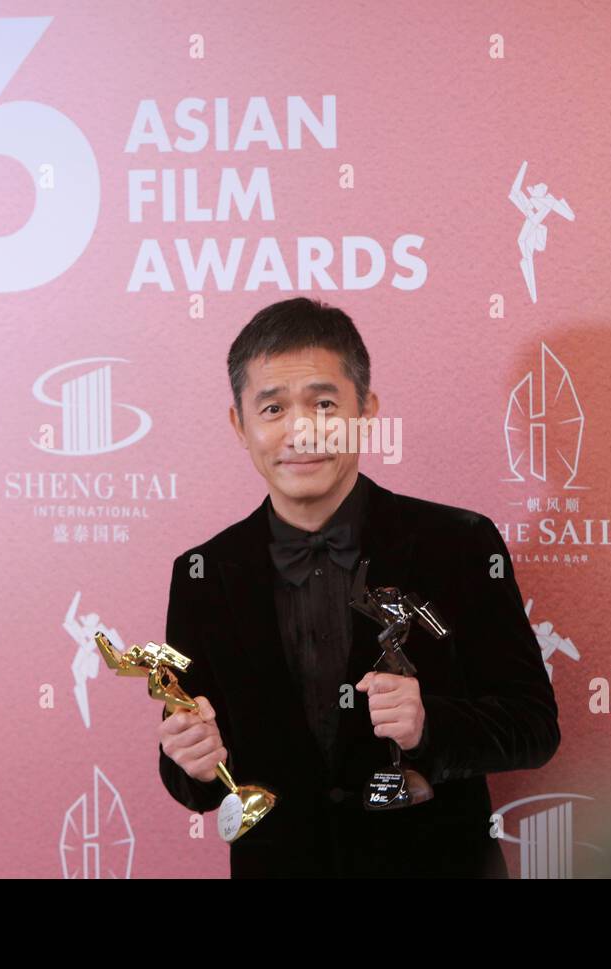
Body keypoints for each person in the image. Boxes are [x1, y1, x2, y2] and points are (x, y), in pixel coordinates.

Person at [157, 296, 560, 877]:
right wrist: (191, 765)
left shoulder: (460, 544)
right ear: (240, 425)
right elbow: (193, 771)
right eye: (272, 408)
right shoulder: (202, 573)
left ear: (365, 410)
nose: (301, 431)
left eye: (324, 404)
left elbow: (534, 727)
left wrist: (429, 726)